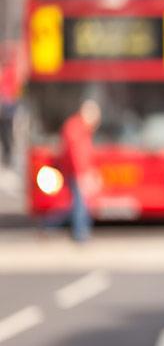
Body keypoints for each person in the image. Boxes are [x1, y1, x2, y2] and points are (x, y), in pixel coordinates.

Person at [59, 99, 101, 242]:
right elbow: (77, 154)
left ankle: (79, 231)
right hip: (76, 173)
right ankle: (80, 233)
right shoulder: (76, 128)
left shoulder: (82, 129)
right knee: (80, 204)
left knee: (80, 203)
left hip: (80, 172)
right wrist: (82, 174)